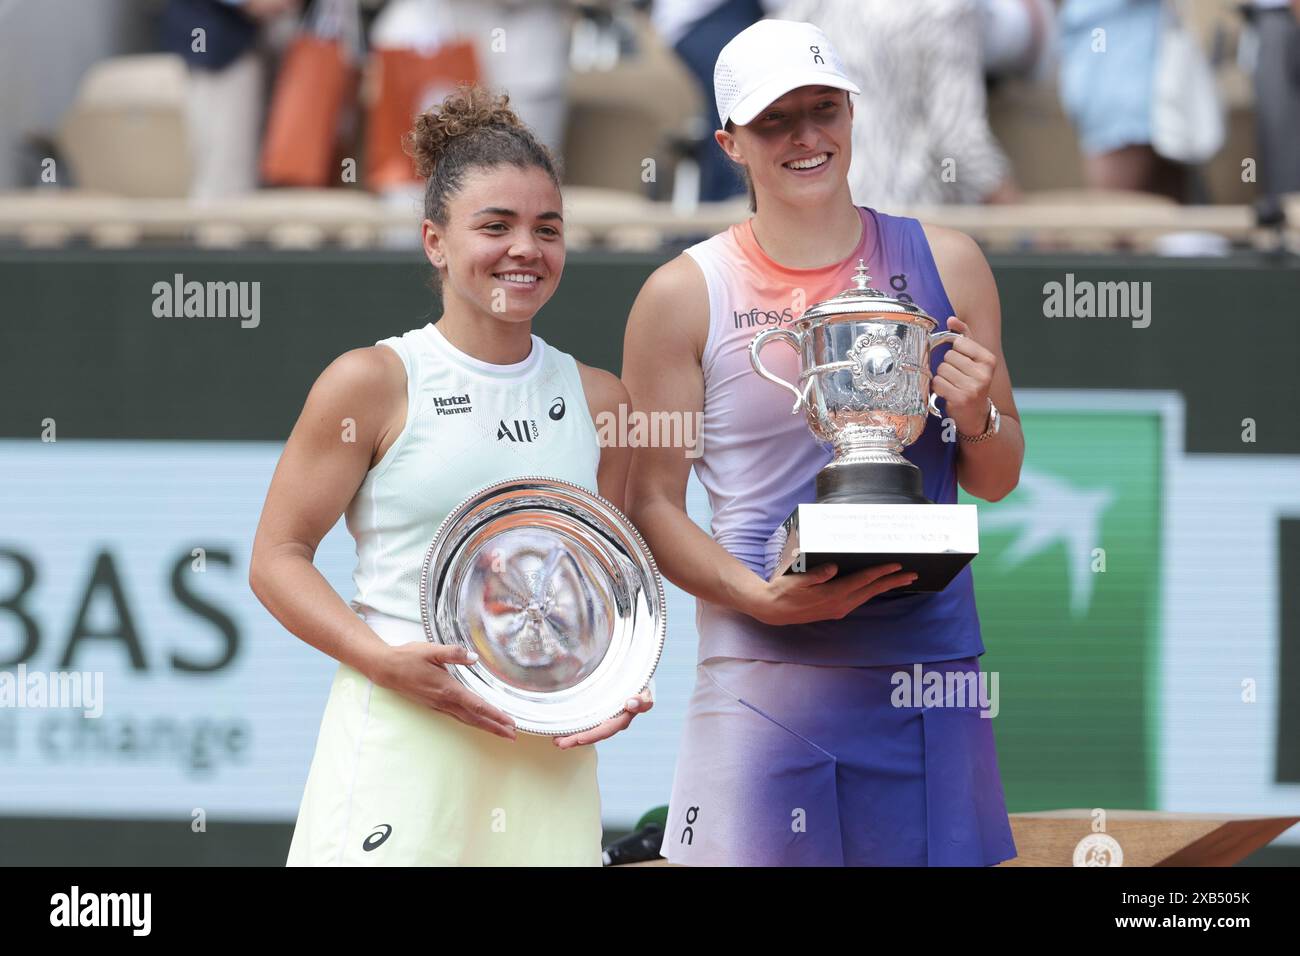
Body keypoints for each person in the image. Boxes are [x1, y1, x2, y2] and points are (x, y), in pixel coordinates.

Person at [621, 19, 1022, 866]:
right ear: (730, 141)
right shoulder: (681, 294)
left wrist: (980, 411)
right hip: (763, 671)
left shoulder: (950, 260)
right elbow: (650, 503)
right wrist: (758, 597)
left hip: (929, 667)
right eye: (776, 121)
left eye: (824, 109)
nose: (807, 137)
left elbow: (995, 476)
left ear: (851, 113)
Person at [249, 84, 651, 866]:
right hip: (403, 732)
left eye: (547, 229)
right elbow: (275, 558)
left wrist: (618, 684)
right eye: (494, 226)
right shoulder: (371, 381)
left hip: (545, 758)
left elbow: (604, 593)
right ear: (435, 242)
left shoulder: (603, 400)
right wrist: (382, 661)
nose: (524, 249)